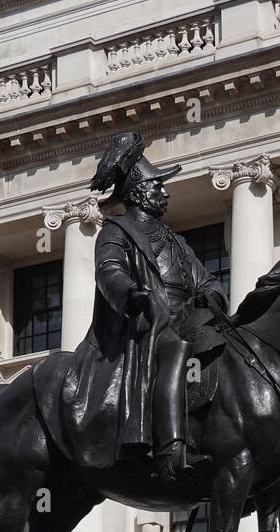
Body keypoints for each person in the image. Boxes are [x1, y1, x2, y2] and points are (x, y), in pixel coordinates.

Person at [62, 130, 231, 486]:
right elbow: (109, 271)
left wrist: (212, 296)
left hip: (187, 314)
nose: (165, 193)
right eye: (158, 188)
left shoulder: (175, 240)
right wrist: (134, 295)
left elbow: (205, 279)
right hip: (146, 321)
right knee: (175, 348)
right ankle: (171, 450)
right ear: (139, 193)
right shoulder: (116, 232)